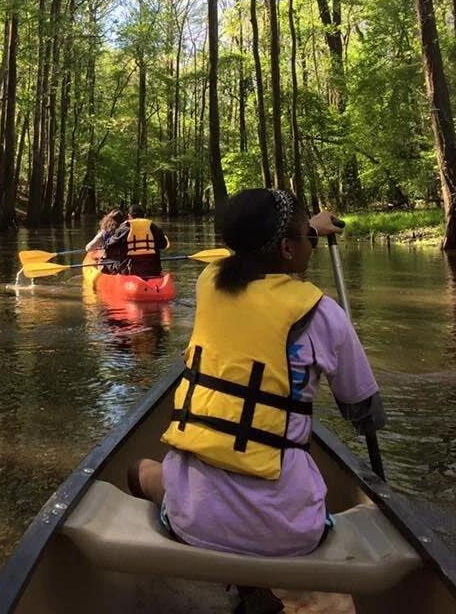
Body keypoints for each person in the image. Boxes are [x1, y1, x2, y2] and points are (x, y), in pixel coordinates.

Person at [127, 188, 385, 614]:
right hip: (289, 532)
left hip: (194, 520)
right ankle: (274, 588)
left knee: (140, 470)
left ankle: (244, 581)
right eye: (305, 236)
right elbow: (364, 409)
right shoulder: (322, 313)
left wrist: (309, 228)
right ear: (286, 247)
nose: (310, 243)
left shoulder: (209, 282)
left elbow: (251, 261)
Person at [102, 204, 169, 278]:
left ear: (129, 216)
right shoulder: (154, 228)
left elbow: (108, 246)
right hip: (154, 271)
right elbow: (164, 245)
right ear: (144, 215)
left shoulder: (125, 228)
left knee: (105, 262)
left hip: (131, 271)